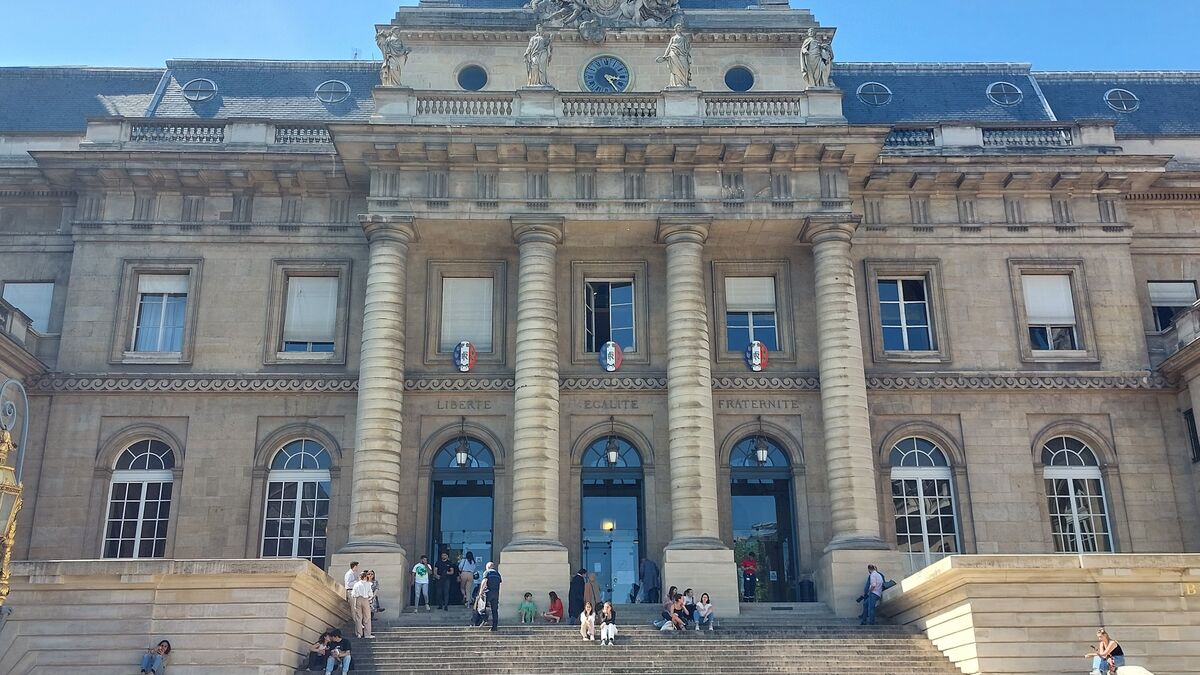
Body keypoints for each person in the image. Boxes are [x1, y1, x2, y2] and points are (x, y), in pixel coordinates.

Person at [350, 570, 376, 639]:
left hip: (358, 599)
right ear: (365, 577)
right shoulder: (368, 584)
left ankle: (359, 633)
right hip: (365, 599)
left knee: (358, 617)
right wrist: (370, 598)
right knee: (367, 617)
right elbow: (370, 594)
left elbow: (353, 594)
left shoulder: (356, 584)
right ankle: (367, 634)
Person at [483, 561, 503, 631]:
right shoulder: (498, 574)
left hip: (488, 592)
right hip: (496, 593)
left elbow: (484, 581)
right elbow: (500, 583)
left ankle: (484, 621)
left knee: (483, 607)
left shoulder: (487, 572)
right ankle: (495, 626)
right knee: (494, 610)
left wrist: (480, 592)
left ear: (488, 567)